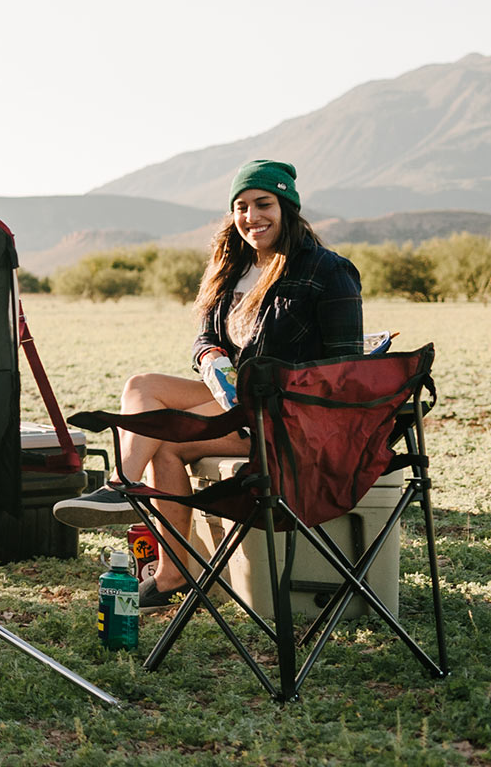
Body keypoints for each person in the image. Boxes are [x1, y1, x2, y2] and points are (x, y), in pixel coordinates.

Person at [52, 160, 362, 608]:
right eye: (241, 207)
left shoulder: (326, 270)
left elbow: (345, 369)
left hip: (287, 409)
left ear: (288, 208)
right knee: (143, 386)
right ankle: (142, 517)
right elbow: (206, 336)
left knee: (165, 437)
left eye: (263, 204)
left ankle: (135, 510)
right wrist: (210, 357)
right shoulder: (234, 267)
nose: (251, 217)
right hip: (234, 395)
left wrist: (270, 386)